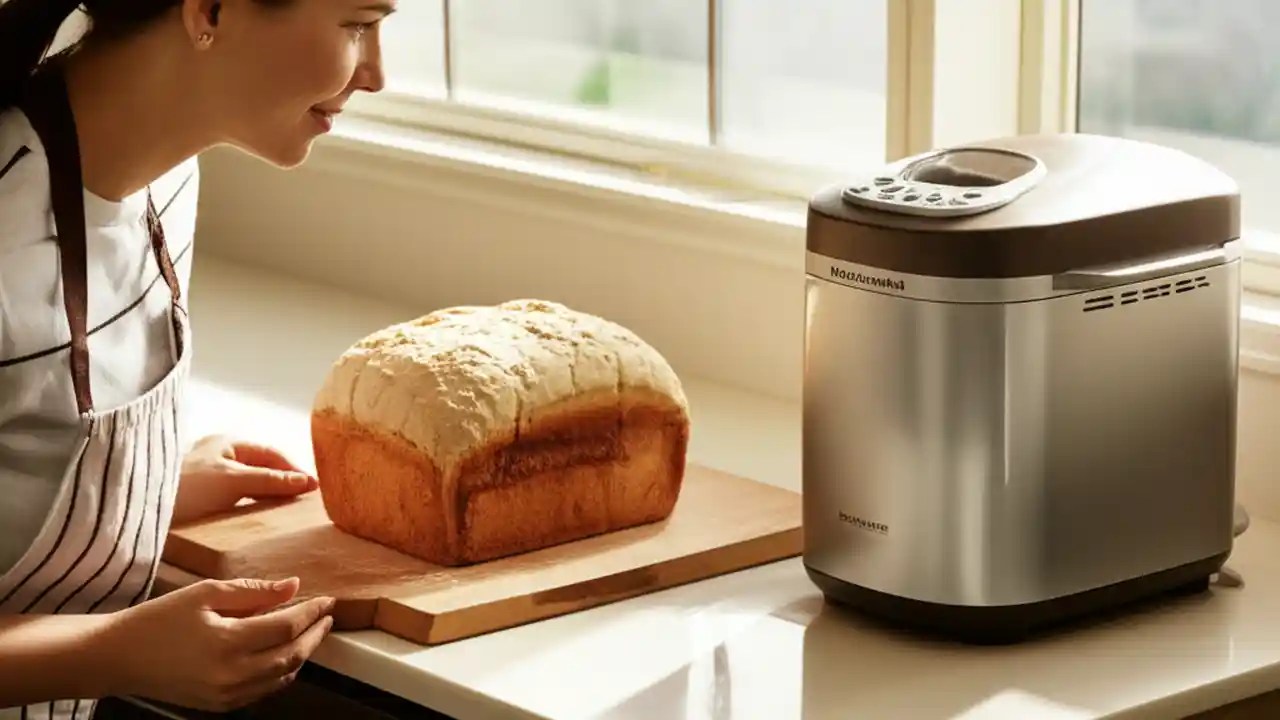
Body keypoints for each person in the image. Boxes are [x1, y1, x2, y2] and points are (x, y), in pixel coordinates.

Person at [0, 0, 393, 717]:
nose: (376, 75)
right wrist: (113, 652)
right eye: (358, 24)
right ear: (209, 9)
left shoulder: (168, 179)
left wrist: (140, 492)